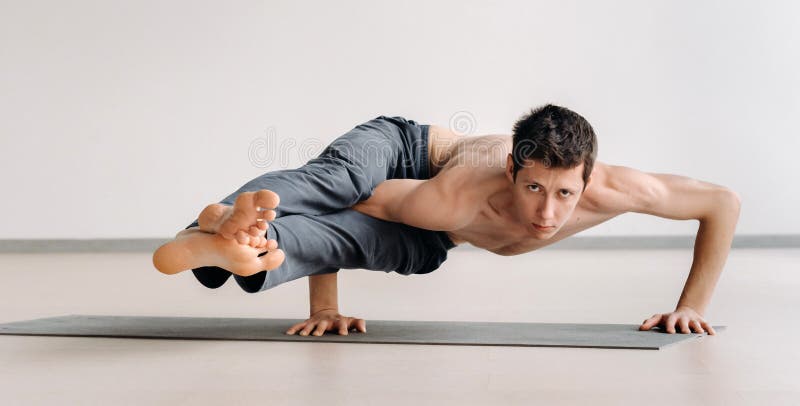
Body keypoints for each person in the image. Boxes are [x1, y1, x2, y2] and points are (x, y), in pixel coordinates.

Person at [153, 105, 741, 337]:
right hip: (399, 154)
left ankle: (233, 249)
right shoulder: (456, 198)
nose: (547, 212)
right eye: (534, 187)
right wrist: (323, 308)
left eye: (564, 193)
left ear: (588, 180)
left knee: (384, 245)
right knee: (339, 186)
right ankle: (214, 226)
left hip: (434, 238)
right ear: (511, 169)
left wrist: (693, 305)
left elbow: (722, 203)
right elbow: (340, 213)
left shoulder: (622, 189)